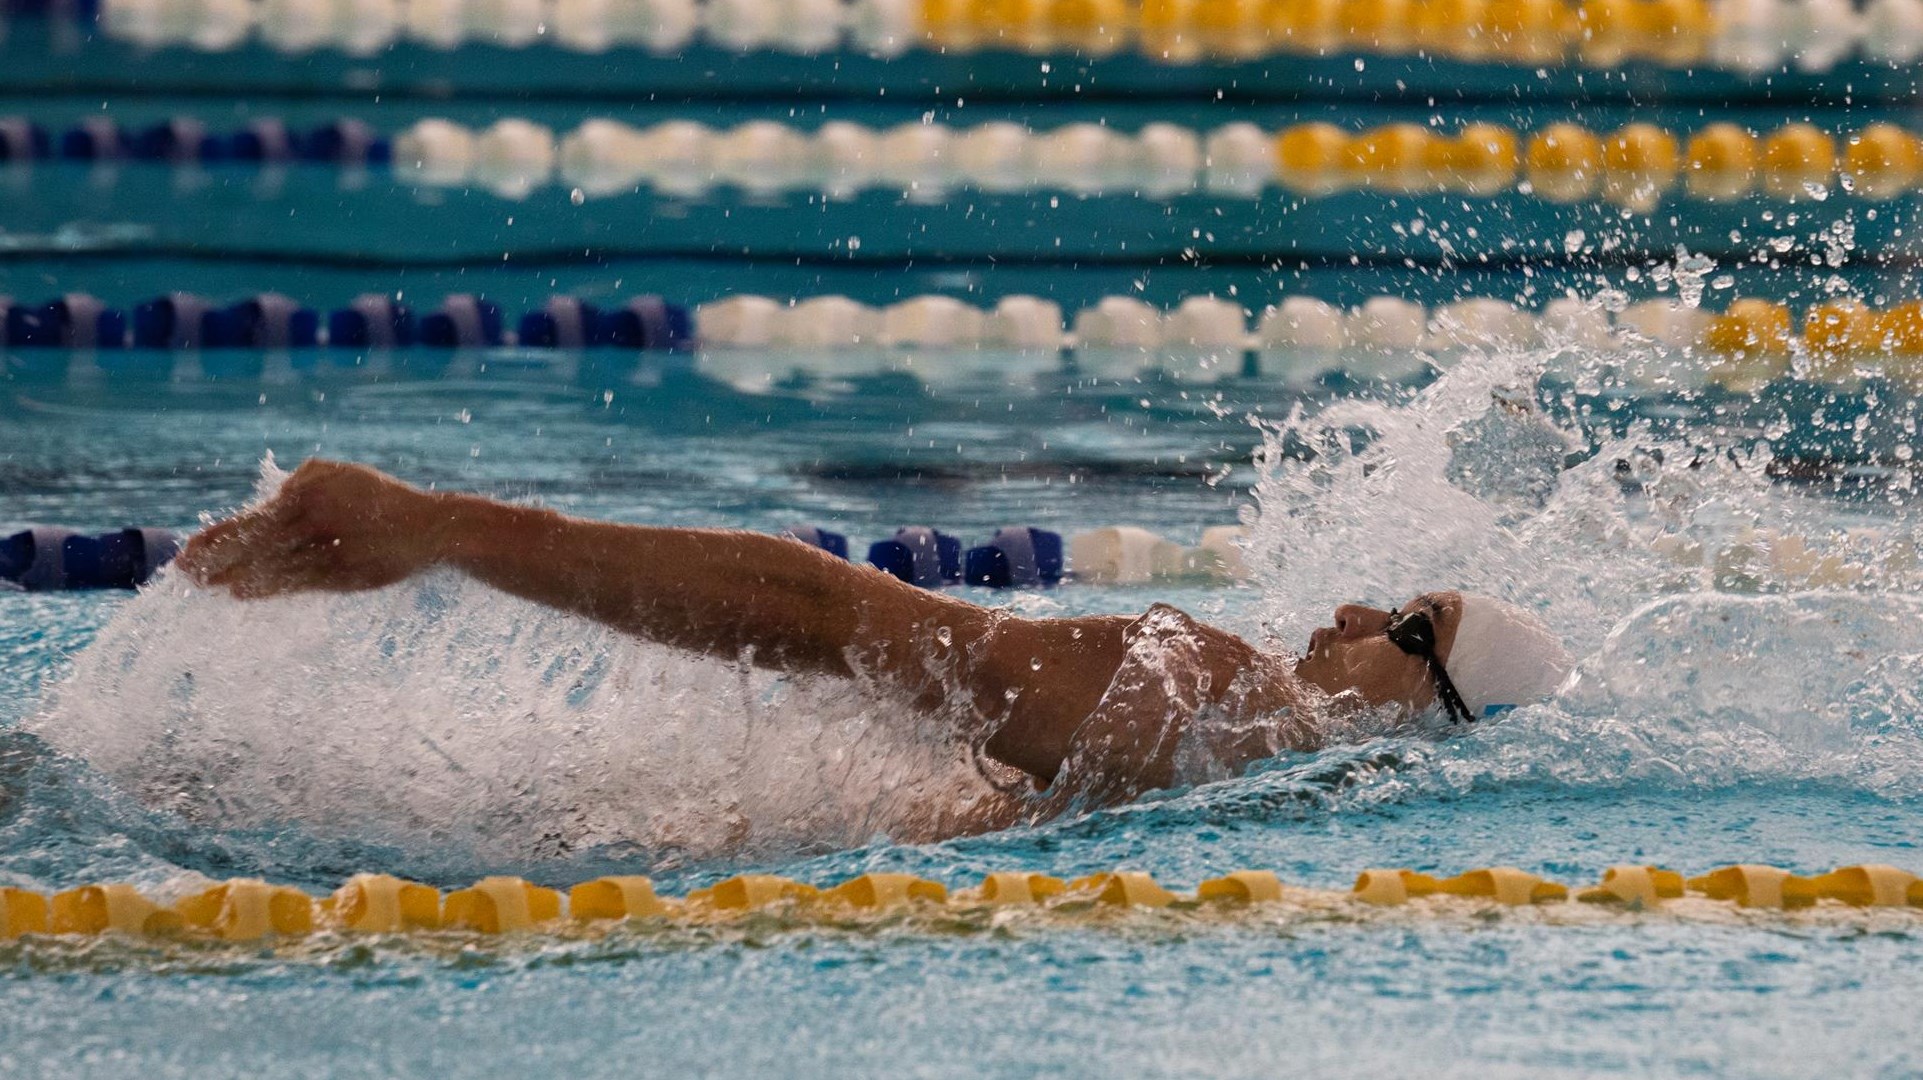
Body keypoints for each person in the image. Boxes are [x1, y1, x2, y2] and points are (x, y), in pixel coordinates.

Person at [179, 459, 1570, 835]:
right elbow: (841, 626)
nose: (1351, 612)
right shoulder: (1217, 714)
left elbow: (836, 622)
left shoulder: (1212, 703)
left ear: (1432, 708)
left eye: (1408, 628)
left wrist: (461, 533)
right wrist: (458, 534)